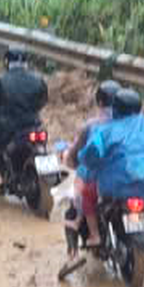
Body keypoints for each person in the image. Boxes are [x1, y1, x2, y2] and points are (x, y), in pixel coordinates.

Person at [77, 88, 144, 247]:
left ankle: (95, 235)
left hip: (117, 187)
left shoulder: (105, 130)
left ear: (115, 108)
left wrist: (86, 163)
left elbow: (89, 155)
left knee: (87, 194)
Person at [0, 48, 49, 188]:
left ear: (7, 62)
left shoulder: (0, 81)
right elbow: (43, 101)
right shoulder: (39, 80)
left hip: (8, 128)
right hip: (34, 125)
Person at [62, 80, 120, 251]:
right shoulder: (131, 126)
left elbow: (75, 155)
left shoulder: (92, 126)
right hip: (129, 177)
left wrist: (70, 160)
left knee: (75, 206)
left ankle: (76, 251)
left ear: (99, 102)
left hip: (100, 179)